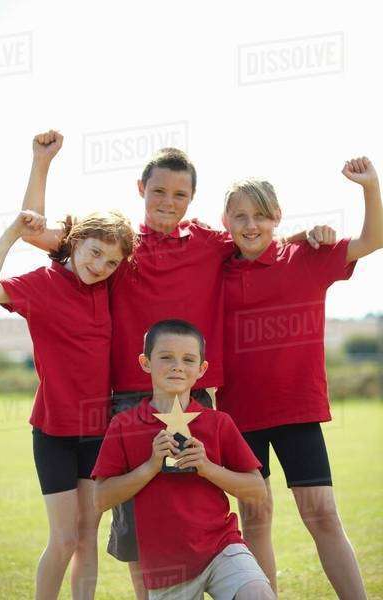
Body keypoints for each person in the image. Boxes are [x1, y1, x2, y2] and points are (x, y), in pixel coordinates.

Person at [21, 133, 336, 599]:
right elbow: (33, 230)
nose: (169, 202)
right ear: (140, 190)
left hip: (195, 396)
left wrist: (306, 237)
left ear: (192, 199)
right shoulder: (117, 243)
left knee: (196, 512)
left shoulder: (210, 242)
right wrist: (42, 161)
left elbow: (256, 237)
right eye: (159, 192)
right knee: (137, 529)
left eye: (180, 195)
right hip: (128, 403)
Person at [216, 156, 383, 599]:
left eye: (261, 215)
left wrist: (369, 186)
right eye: (241, 216)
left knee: (323, 517)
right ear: (226, 220)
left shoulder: (307, 257)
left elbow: (374, 239)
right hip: (238, 416)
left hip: (297, 410)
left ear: (277, 216)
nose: (251, 225)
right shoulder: (216, 270)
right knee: (255, 520)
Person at [0, 141, 135, 598]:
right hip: (52, 432)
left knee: (87, 538)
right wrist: (12, 231)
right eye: (93, 254)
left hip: (97, 429)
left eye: (111, 262)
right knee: (64, 539)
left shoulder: (109, 287)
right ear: (75, 243)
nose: (100, 267)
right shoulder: (42, 286)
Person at [92, 319, 276, 600]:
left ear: (201, 369)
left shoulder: (219, 423)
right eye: (166, 357)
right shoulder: (123, 425)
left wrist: (207, 467)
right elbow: (101, 498)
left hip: (221, 546)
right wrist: (151, 466)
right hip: (167, 565)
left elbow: (256, 490)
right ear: (145, 363)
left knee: (258, 592)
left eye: (188, 359)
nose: (177, 366)